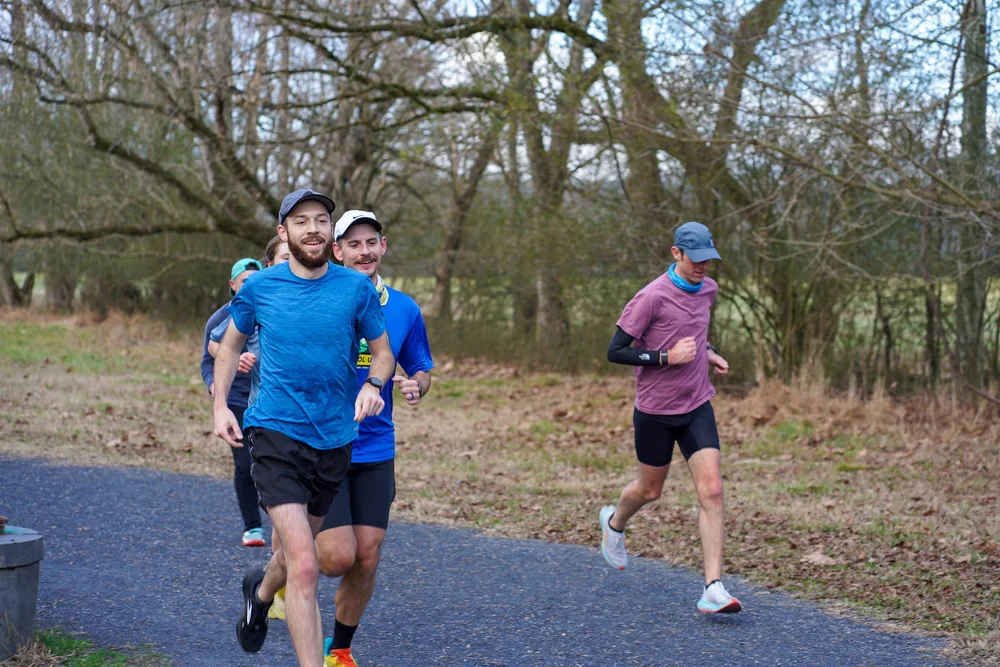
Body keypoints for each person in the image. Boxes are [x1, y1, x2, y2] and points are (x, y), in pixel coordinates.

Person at [212, 189, 395, 667]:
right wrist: (219, 408)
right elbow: (228, 348)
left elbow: (383, 352)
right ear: (283, 233)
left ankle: (260, 588)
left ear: (330, 232)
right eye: (301, 221)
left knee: (293, 559)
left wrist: (374, 384)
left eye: (320, 220)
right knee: (308, 565)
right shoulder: (261, 288)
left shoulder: (355, 289)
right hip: (274, 434)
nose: (312, 229)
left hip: (334, 439)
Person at [267, 210, 434, 667]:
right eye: (353, 244)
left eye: (371, 243)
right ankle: (268, 581)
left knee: (367, 557)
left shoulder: (403, 308)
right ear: (336, 251)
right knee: (336, 558)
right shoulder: (320, 298)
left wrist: (418, 383)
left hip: (376, 447)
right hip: (323, 443)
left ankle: (339, 650)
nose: (364, 252)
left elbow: (420, 364)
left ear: (383, 247)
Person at [600, 221, 741, 614]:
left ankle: (712, 588)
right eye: (696, 260)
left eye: (708, 260)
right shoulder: (650, 297)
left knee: (711, 489)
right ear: (675, 253)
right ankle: (614, 522)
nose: (703, 267)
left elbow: (693, 330)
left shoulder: (708, 290)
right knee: (650, 490)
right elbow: (616, 351)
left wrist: (708, 351)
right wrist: (665, 358)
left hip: (696, 404)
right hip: (655, 412)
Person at [200, 257, 264, 547]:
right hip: (236, 401)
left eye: (256, 280)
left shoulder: (271, 311)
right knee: (244, 463)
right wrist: (216, 388)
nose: (250, 286)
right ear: (233, 285)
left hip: (267, 400)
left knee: (268, 463)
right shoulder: (220, 319)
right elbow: (206, 361)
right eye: (244, 282)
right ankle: (253, 527)